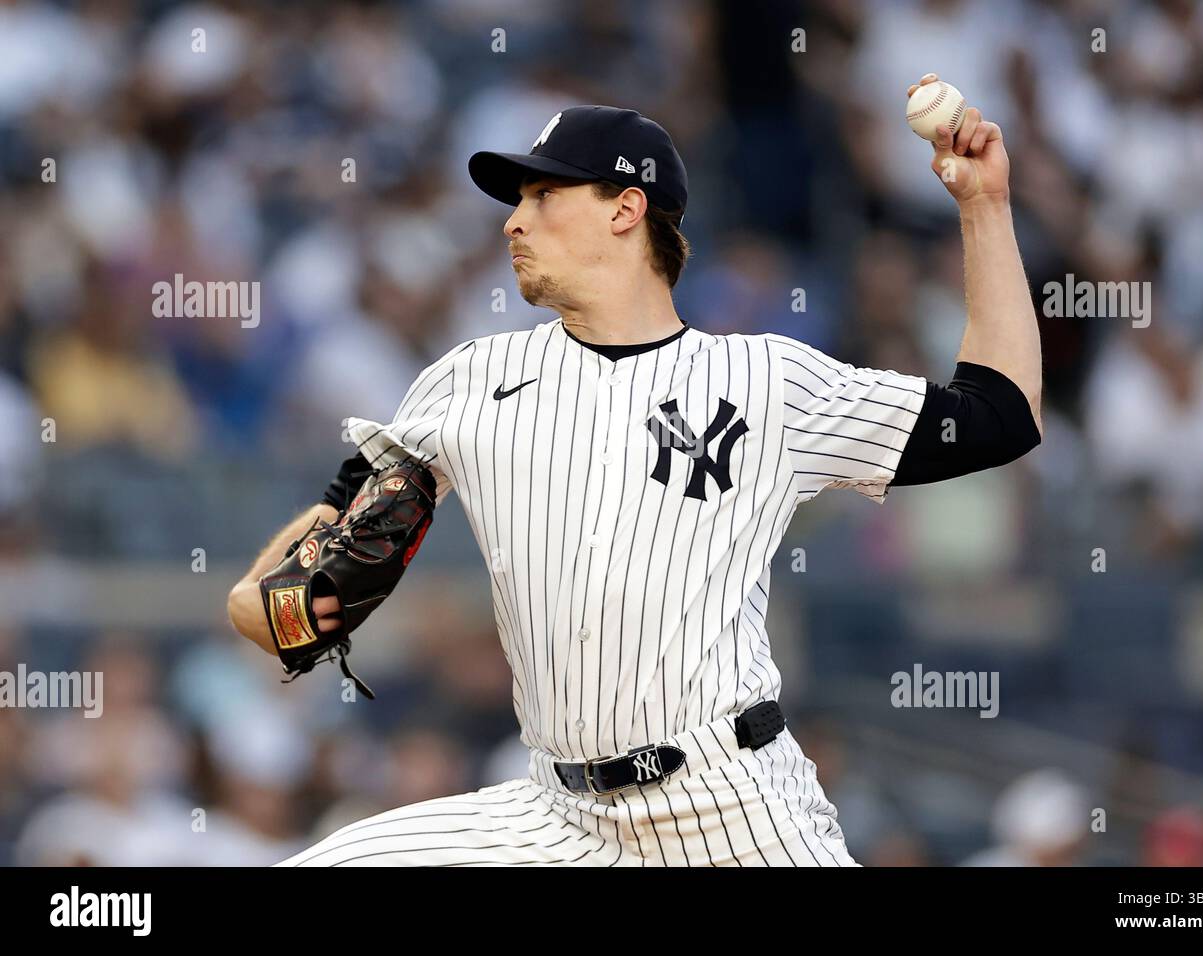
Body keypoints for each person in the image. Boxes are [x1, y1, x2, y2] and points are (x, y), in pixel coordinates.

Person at [227, 77, 1042, 866]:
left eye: (542, 196)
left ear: (626, 207)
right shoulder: (466, 379)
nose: (513, 222)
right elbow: (322, 545)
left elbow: (999, 414)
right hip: (554, 814)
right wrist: (265, 598)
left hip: (732, 807)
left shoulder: (769, 380)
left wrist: (984, 206)